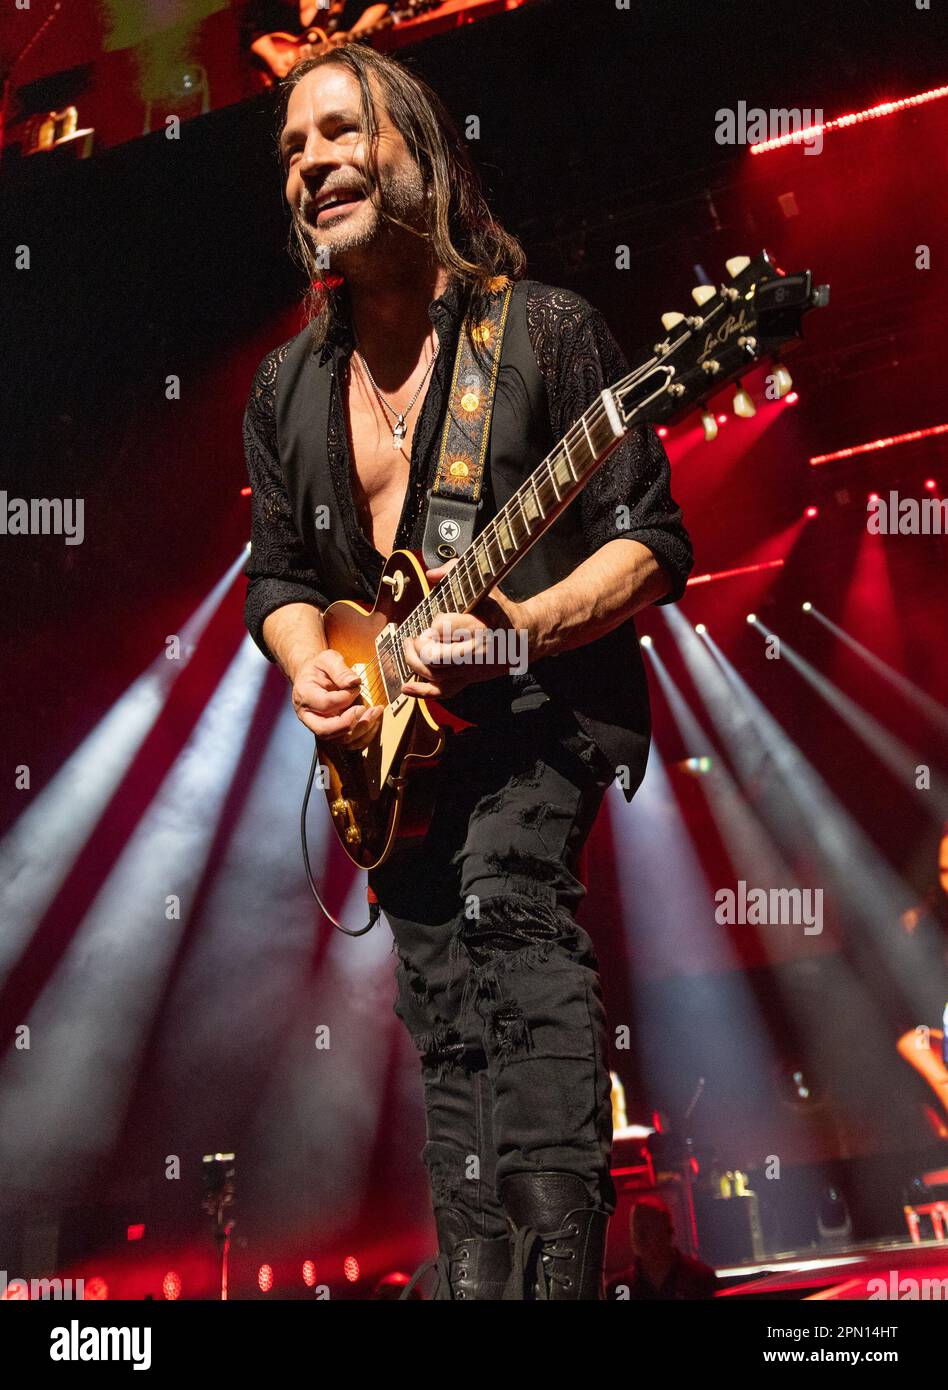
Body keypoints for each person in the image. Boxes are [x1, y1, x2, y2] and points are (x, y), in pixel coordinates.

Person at [241, 44, 693, 1299]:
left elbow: (653, 542)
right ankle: (481, 1274)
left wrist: (525, 622)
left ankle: (559, 1272)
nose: (310, 164)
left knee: (510, 908)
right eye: (290, 149)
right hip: (403, 761)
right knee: (442, 1009)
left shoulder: (543, 332)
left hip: (540, 717)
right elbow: (277, 582)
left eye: (339, 133)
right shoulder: (285, 390)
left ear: (417, 155)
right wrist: (309, 669)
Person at [241, 1, 390, 82]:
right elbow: (251, 28)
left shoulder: (325, 4)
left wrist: (349, 35)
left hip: (347, 75)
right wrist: (274, 58)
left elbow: (378, 4)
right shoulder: (278, 7)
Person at [608, 1196, 718, 1300]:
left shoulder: (701, 1280)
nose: (639, 1235)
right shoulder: (617, 1288)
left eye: (646, 1228)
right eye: (635, 1229)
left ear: (667, 1232)